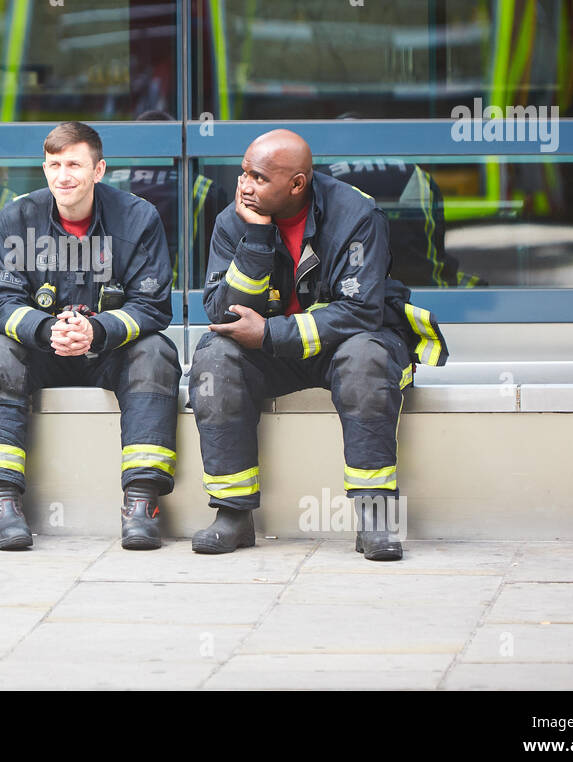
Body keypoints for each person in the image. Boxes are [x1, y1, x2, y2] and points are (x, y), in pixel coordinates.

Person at [188, 129, 449, 560]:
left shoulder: (356, 214)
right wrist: (255, 241)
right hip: (274, 349)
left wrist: (272, 333)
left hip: (344, 343)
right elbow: (221, 313)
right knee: (215, 358)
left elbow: (360, 311)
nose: (244, 186)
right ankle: (232, 514)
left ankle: (374, 516)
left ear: (297, 184)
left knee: (366, 359)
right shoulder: (234, 219)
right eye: (243, 174)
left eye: (257, 178)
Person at [0, 121, 182, 550]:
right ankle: (2, 502)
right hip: (42, 350)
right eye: (53, 165)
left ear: (99, 170)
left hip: (108, 351)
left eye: (74, 165)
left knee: (156, 351)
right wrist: (46, 330)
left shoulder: (138, 217)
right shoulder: (16, 216)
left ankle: (142, 501)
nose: (63, 176)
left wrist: (97, 330)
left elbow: (152, 306)